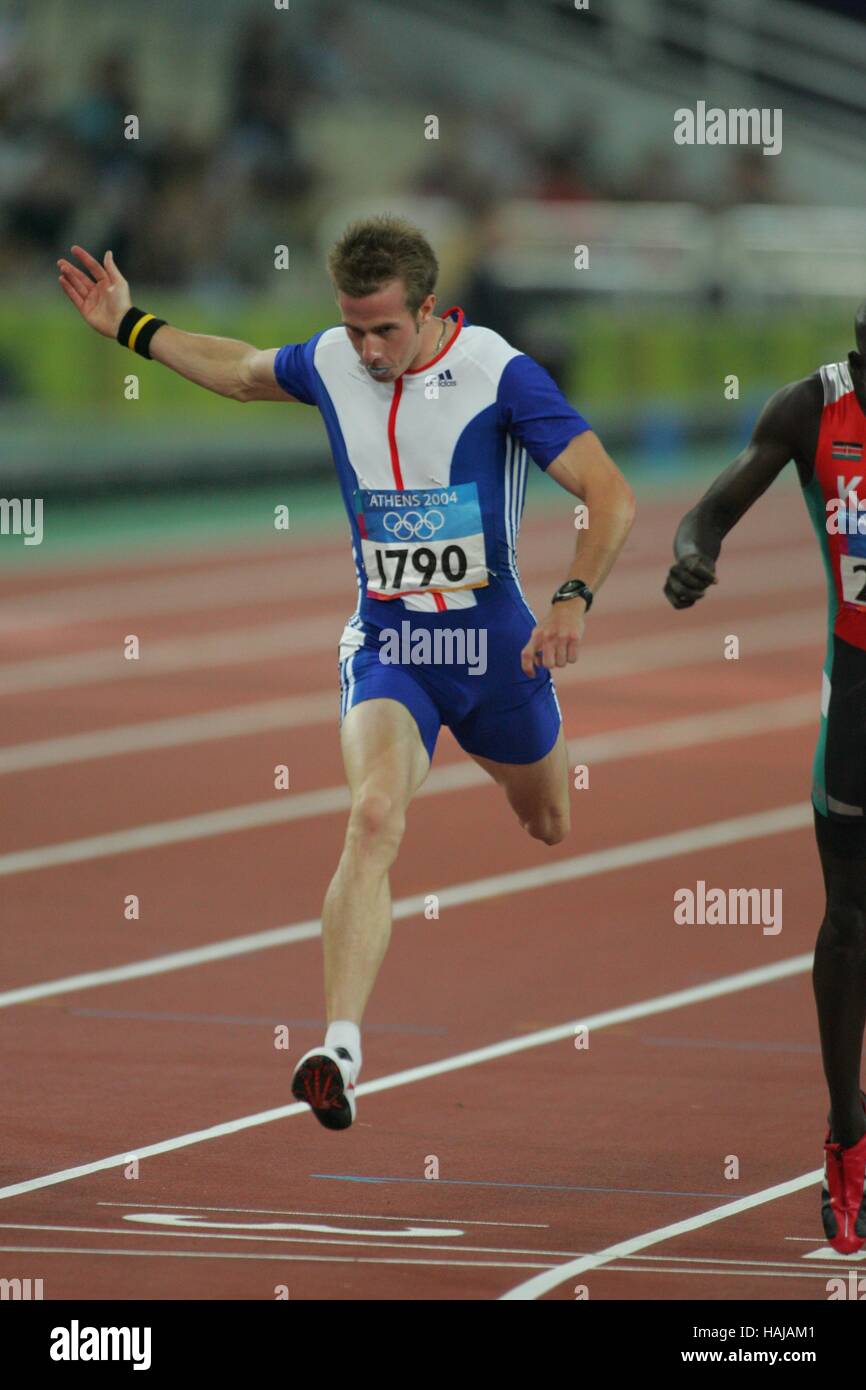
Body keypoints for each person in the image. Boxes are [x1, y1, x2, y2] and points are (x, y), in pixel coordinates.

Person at [58, 214, 635, 1130]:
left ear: (431, 312)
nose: (366, 350)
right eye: (354, 327)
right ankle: (340, 1049)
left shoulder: (498, 373)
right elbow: (241, 371)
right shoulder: (331, 360)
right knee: (371, 817)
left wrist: (573, 597)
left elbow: (610, 492)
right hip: (393, 645)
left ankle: (527, 769)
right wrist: (135, 327)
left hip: (493, 651)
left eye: (385, 331)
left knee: (550, 824)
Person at [664, 309, 866, 1253]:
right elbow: (712, 507)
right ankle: (847, 1134)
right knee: (851, 919)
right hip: (861, 705)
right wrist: (697, 551)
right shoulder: (811, 409)